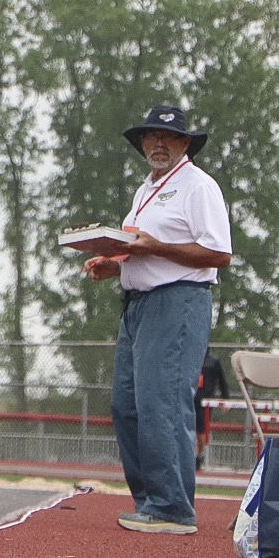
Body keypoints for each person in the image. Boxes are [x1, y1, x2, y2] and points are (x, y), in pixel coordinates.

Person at [84, 104, 231, 535]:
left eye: (169, 137)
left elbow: (219, 253)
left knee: (162, 402)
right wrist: (114, 264)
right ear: (142, 143)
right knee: (126, 404)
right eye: (151, 136)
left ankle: (173, 508)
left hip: (178, 301)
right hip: (138, 305)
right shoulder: (146, 189)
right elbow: (142, 248)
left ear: (185, 144)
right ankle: (150, 501)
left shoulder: (197, 186)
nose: (159, 144)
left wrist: (155, 248)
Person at [195, 348, 229, 470]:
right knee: (188, 430)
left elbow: (222, 381)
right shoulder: (190, 359)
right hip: (189, 399)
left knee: (201, 431)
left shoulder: (213, 362)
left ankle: (199, 456)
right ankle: (188, 456)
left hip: (205, 402)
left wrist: (225, 400)